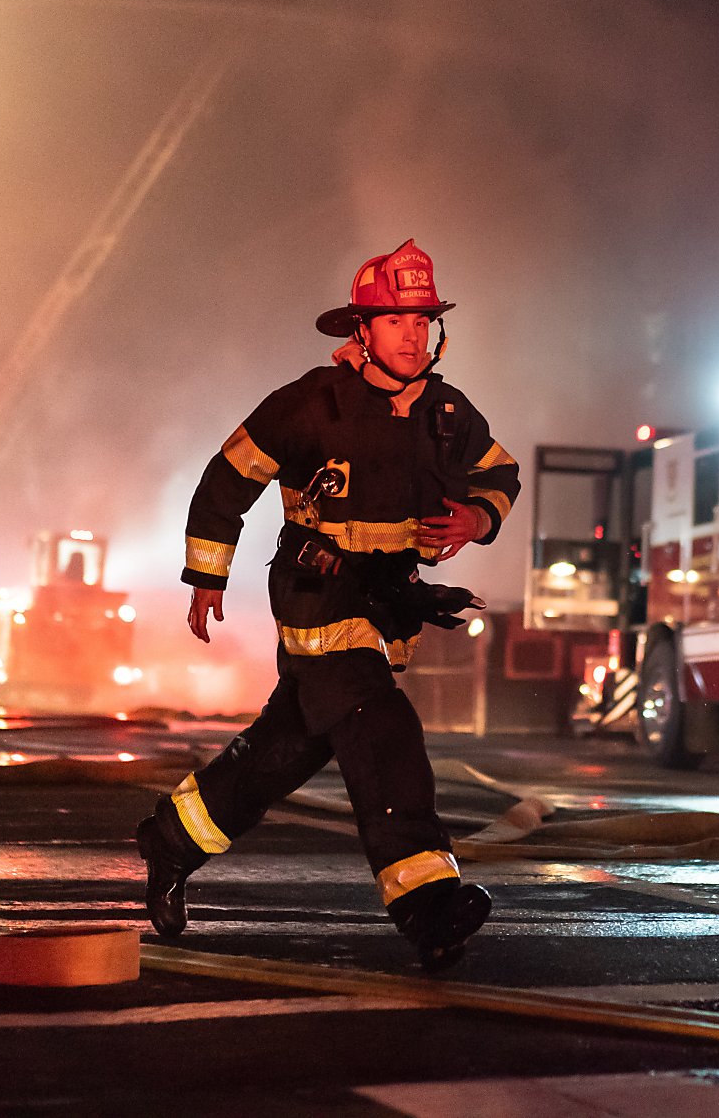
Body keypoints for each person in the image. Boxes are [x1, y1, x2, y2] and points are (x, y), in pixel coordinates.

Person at [137, 239, 520, 970]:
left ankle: (171, 838)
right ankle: (428, 904)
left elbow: (500, 472)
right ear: (362, 329)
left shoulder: (446, 412)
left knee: (286, 748)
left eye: (423, 321)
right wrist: (205, 574)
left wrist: (476, 518)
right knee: (384, 734)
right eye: (396, 320)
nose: (413, 335)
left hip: (383, 606)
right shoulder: (313, 403)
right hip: (317, 600)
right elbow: (228, 477)